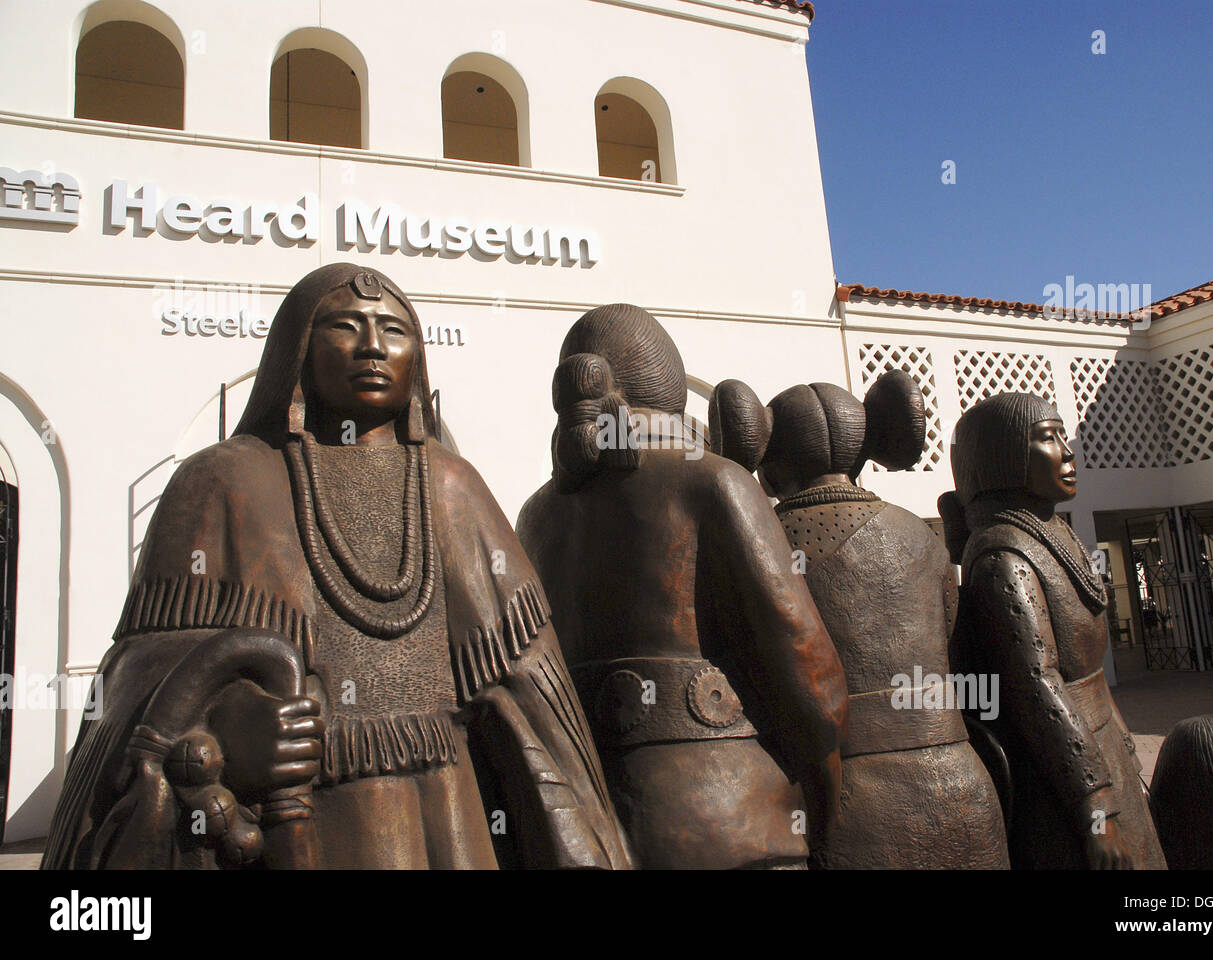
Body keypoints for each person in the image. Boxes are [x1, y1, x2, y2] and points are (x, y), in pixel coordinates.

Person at [42, 263, 630, 870]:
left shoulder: (455, 486)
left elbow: (533, 685)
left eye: (395, 330)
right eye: (346, 326)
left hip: (452, 809)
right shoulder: (223, 481)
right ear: (296, 350)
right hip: (303, 814)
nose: (373, 346)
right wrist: (227, 718)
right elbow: (135, 671)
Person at [516, 303, 847, 869]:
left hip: (595, 823)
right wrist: (827, 795)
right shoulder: (716, 480)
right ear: (671, 386)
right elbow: (811, 676)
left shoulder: (535, 516)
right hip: (732, 816)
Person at [709, 374, 1009, 869]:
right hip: (958, 784)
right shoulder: (920, 535)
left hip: (835, 800)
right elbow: (952, 637)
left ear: (765, 466)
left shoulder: (761, 544)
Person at [938, 392, 1165, 869]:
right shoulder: (1005, 556)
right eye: (1047, 438)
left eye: (1063, 435)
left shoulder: (1049, 531)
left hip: (1101, 747)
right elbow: (1037, 686)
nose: (1067, 451)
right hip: (1065, 776)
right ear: (1003, 457)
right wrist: (1095, 807)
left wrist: (1122, 743)